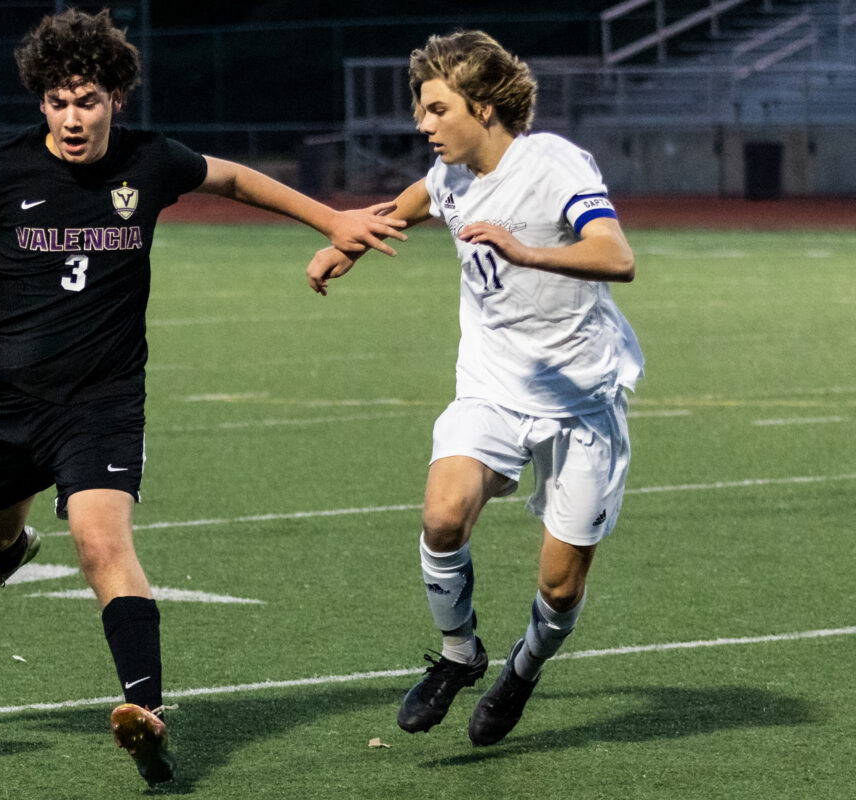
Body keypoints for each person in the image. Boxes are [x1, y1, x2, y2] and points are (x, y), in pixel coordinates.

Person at [0, 9, 405, 788]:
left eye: (87, 99)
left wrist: (331, 219)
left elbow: (235, 178)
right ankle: (8, 556)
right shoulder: (2, 170)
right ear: (39, 103)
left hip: (103, 398)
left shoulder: (151, 162)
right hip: (5, 395)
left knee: (101, 543)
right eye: (57, 101)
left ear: (117, 96)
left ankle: (145, 712)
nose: (73, 117)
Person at [307, 30, 643, 747]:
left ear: (484, 107)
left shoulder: (553, 165)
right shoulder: (449, 175)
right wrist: (346, 246)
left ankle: (522, 669)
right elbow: (413, 203)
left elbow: (617, 255)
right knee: (442, 517)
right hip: (491, 388)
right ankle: (460, 655)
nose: (422, 125)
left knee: (558, 588)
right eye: (420, 110)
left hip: (581, 400)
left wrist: (527, 251)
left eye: (435, 109)